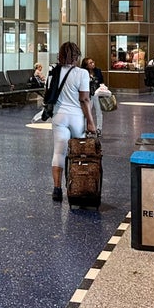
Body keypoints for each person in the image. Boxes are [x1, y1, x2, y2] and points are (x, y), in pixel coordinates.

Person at [47, 41, 96, 202]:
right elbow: (85, 99)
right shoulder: (81, 73)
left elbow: (48, 92)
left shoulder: (53, 71)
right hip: (76, 117)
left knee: (58, 152)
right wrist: (90, 121)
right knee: (79, 153)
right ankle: (80, 186)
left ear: (60, 55)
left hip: (59, 116)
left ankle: (57, 189)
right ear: (76, 56)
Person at [82, 57, 105, 132]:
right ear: (86, 66)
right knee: (87, 112)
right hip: (88, 95)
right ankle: (86, 128)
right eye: (90, 63)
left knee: (99, 111)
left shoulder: (98, 71)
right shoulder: (83, 72)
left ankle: (99, 128)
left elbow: (101, 81)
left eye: (93, 62)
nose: (93, 64)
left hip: (97, 93)